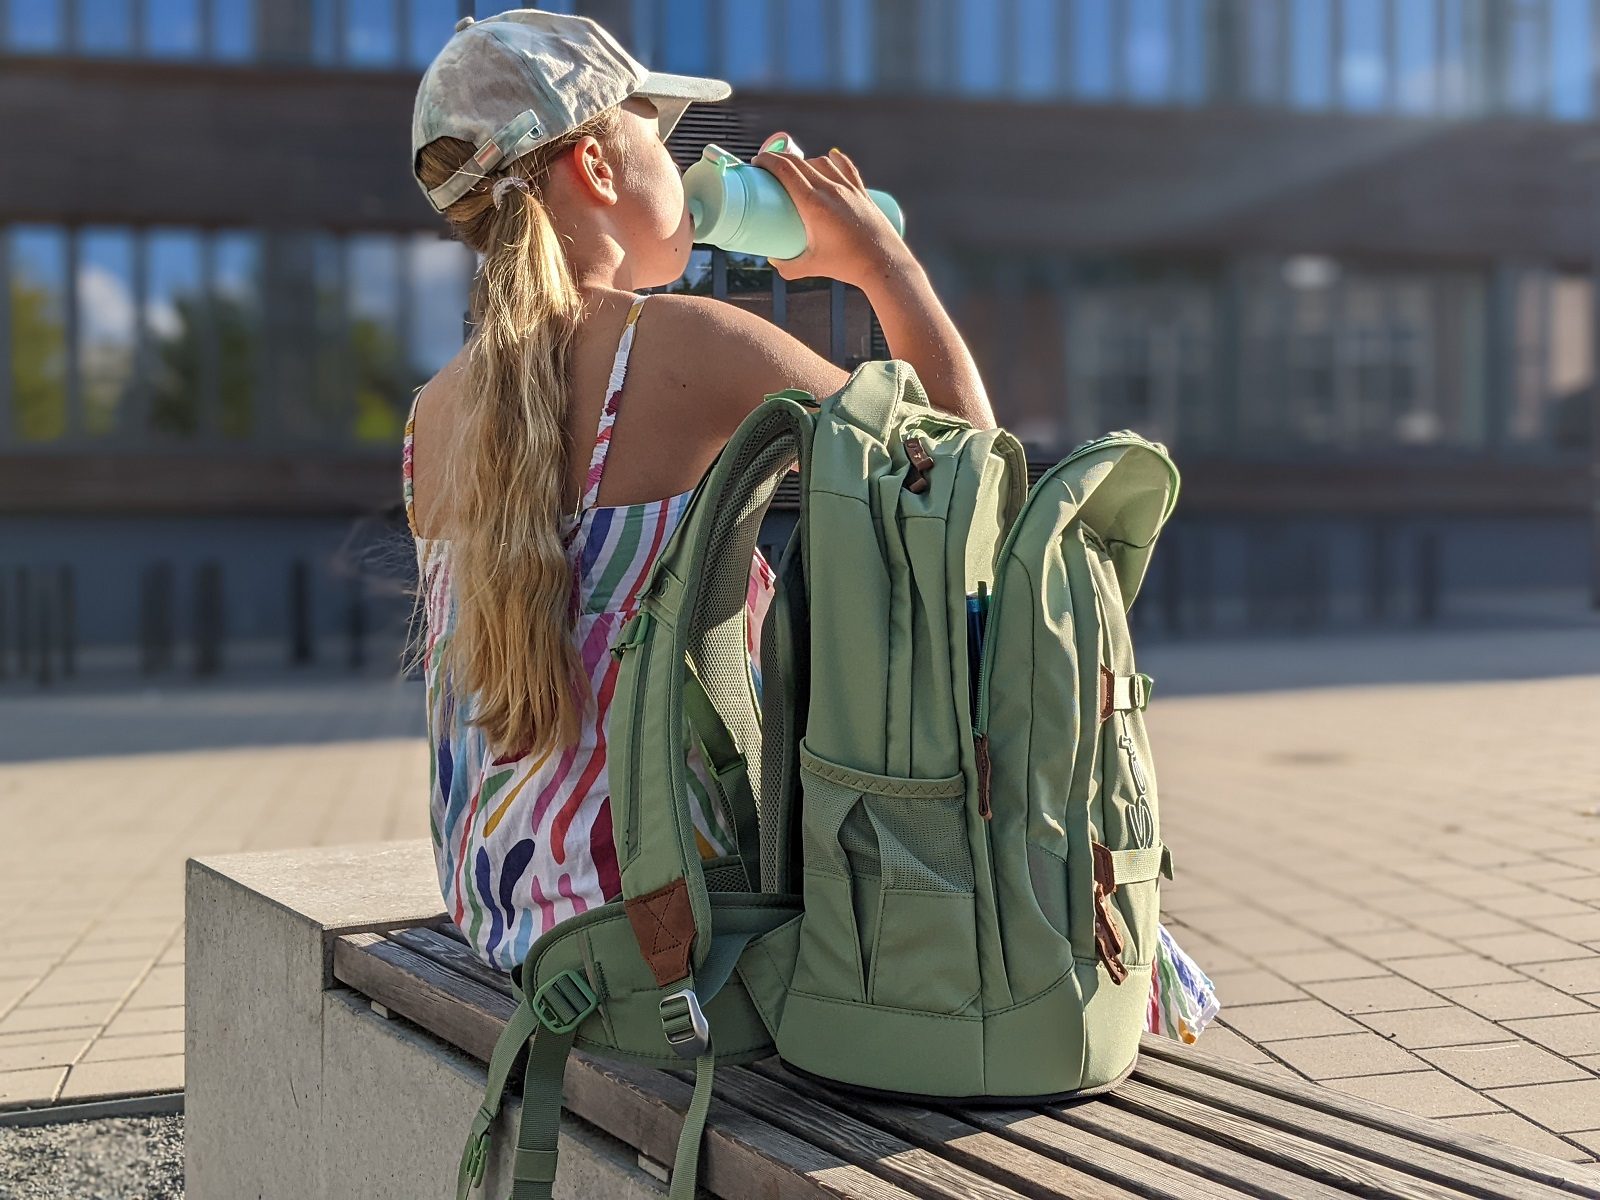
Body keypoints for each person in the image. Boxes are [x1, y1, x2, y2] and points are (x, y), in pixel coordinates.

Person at [402, 9, 1217, 1043]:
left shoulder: (435, 411)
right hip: (680, 950)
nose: (688, 163)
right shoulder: (690, 343)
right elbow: (978, 506)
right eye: (668, 136)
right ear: (601, 167)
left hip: (522, 928)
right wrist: (881, 266)